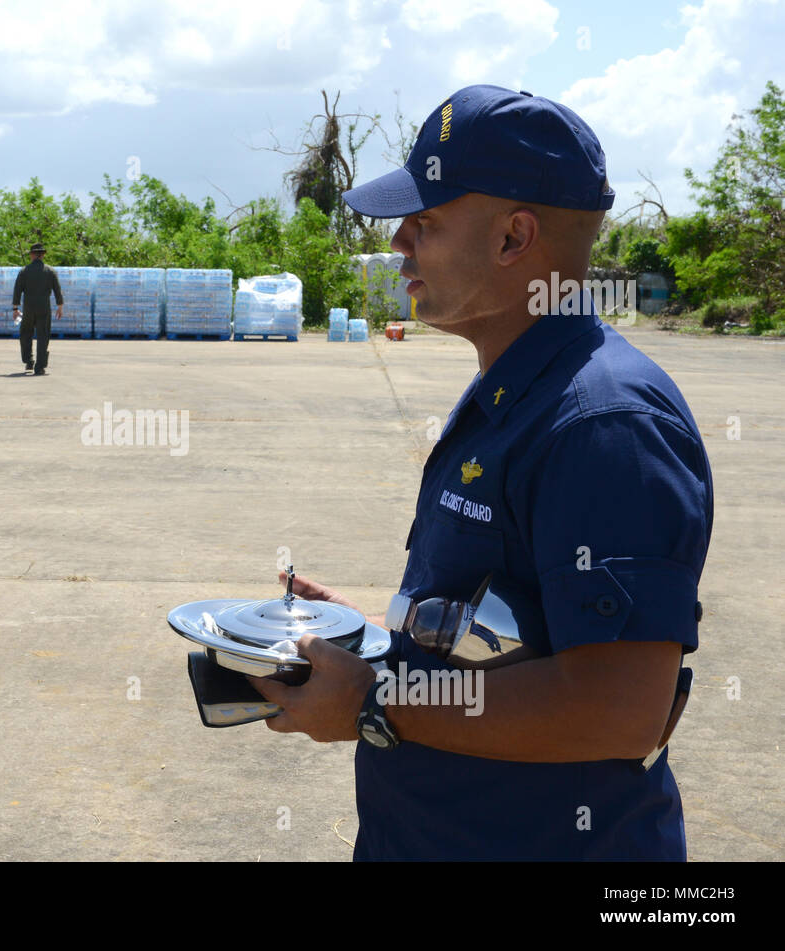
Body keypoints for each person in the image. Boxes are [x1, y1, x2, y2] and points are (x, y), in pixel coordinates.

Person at [250, 85, 713, 861]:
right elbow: (512, 632)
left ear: (512, 239)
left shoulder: (602, 424)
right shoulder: (517, 388)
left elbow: (618, 706)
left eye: (425, 220)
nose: (399, 241)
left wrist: (377, 700)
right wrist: (372, 641)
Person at [12, 242, 63, 375]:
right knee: (43, 336)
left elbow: (17, 290)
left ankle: (29, 361)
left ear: (32, 255)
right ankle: (40, 367)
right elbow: (57, 290)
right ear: (43, 255)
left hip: (28, 308)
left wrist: (15, 308)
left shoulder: (24, 271)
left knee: (26, 334)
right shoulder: (50, 271)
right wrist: (60, 306)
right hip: (44, 308)